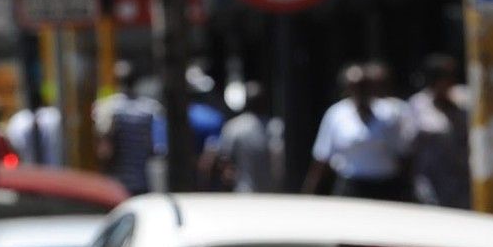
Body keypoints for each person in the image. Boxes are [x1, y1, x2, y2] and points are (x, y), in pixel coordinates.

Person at [303, 63, 408, 200]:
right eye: (355, 86)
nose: (361, 90)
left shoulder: (391, 112)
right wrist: (309, 193)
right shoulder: (336, 113)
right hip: (351, 186)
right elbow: (322, 157)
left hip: (386, 186)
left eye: (365, 85)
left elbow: (403, 154)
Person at [404, 55, 471, 209]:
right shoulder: (418, 104)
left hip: (462, 180)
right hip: (432, 180)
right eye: (444, 78)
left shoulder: (464, 98)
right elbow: (408, 145)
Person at [94, 61, 164, 195]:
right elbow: (157, 148)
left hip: (116, 184)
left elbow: (104, 151)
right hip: (142, 181)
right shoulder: (150, 109)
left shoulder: (108, 108)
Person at [201, 81, 281, 193]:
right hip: (269, 192)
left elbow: (222, 159)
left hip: (243, 191)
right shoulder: (275, 127)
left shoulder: (234, 126)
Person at [3, 102, 63, 167]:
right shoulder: (54, 115)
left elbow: (15, 147)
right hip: (55, 166)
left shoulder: (18, 121)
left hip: (39, 166)